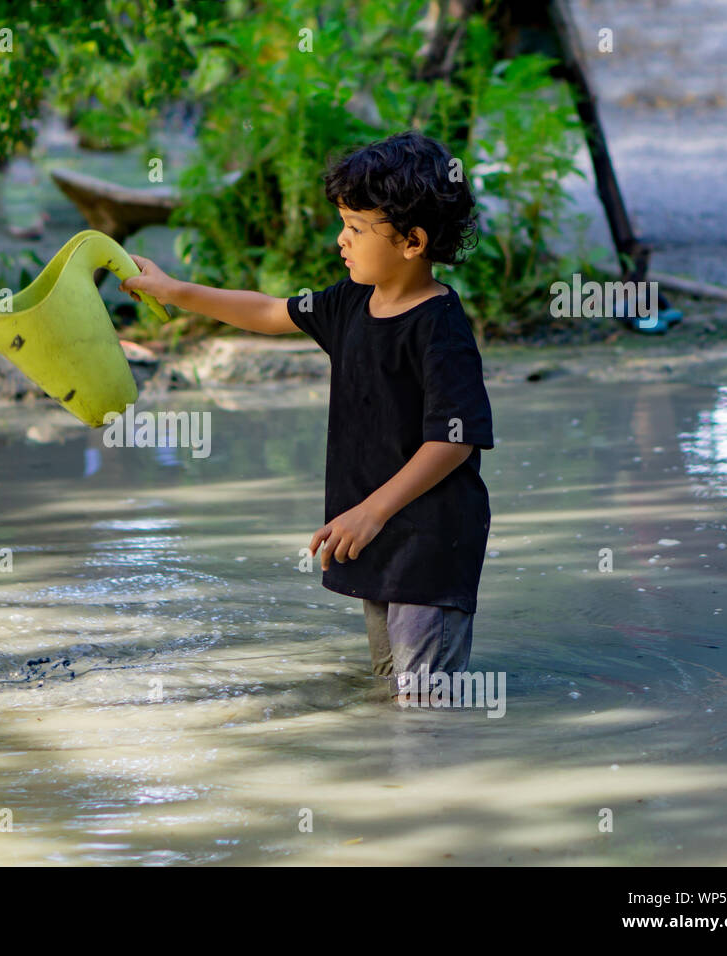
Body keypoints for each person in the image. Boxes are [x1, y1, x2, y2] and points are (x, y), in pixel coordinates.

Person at [120, 129, 494, 707]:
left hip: (430, 542)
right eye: (342, 223)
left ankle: (437, 785)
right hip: (375, 534)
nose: (340, 241)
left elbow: (455, 440)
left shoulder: (439, 326)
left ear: (412, 241)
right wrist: (175, 289)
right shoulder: (350, 301)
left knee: (426, 706)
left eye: (354, 228)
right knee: (395, 691)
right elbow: (269, 311)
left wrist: (369, 513)